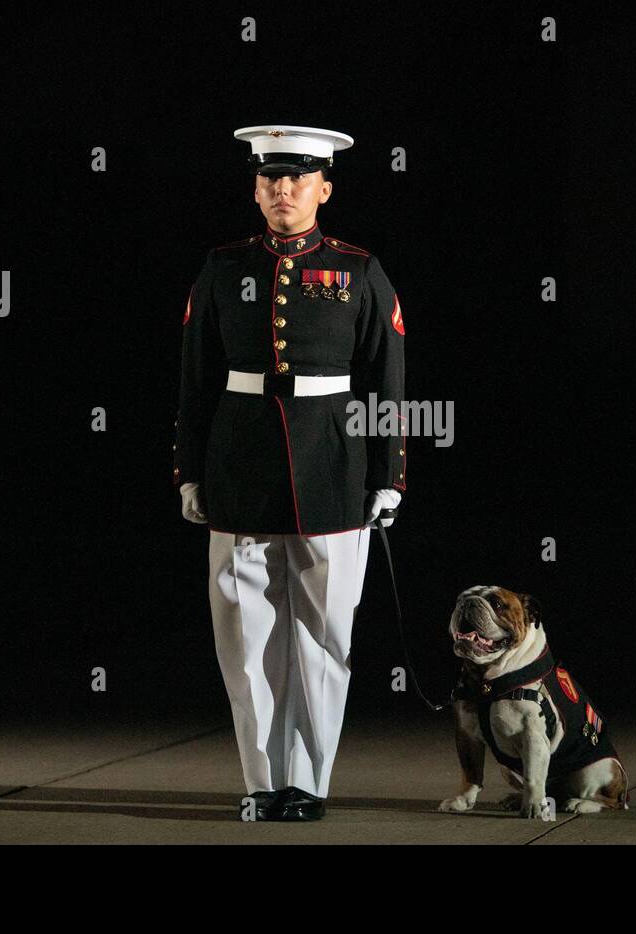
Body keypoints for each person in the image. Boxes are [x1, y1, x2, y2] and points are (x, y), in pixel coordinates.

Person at [171, 125, 407, 821]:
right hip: (239, 463)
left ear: (324, 188)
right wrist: (189, 471)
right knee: (244, 637)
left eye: (298, 178)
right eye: (271, 178)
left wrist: (389, 474)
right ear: (254, 187)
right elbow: (194, 380)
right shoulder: (222, 268)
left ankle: (306, 784)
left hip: (332, 463)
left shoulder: (359, 269)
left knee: (323, 639)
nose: (283, 190)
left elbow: (386, 380)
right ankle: (260, 783)